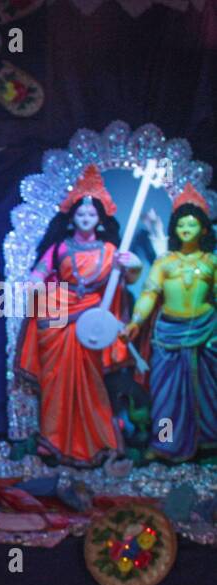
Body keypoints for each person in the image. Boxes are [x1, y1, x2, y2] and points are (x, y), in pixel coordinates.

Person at [17, 165, 138, 466]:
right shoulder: (59, 247)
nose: (85, 218)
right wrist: (33, 284)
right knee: (55, 381)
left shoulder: (110, 250)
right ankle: (51, 440)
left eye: (91, 214)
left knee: (91, 382)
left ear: (100, 218)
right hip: (56, 315)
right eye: (80, 213)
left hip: (91, 320)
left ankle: (97, 440)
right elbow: (39, 273)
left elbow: (130, 279)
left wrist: (132, 264)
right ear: (71, 218)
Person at [123, 187, 217, 461]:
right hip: (167, 335)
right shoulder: (165, 262)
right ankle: (164, 442)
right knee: (165, 396)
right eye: (181, 224)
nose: (185, 229)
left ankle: (208, 441)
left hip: (206, 332)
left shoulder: (212, 261)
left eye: (192, 224)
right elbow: (149, 294)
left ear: (203, 229)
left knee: (207, 393)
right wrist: (136, 321)